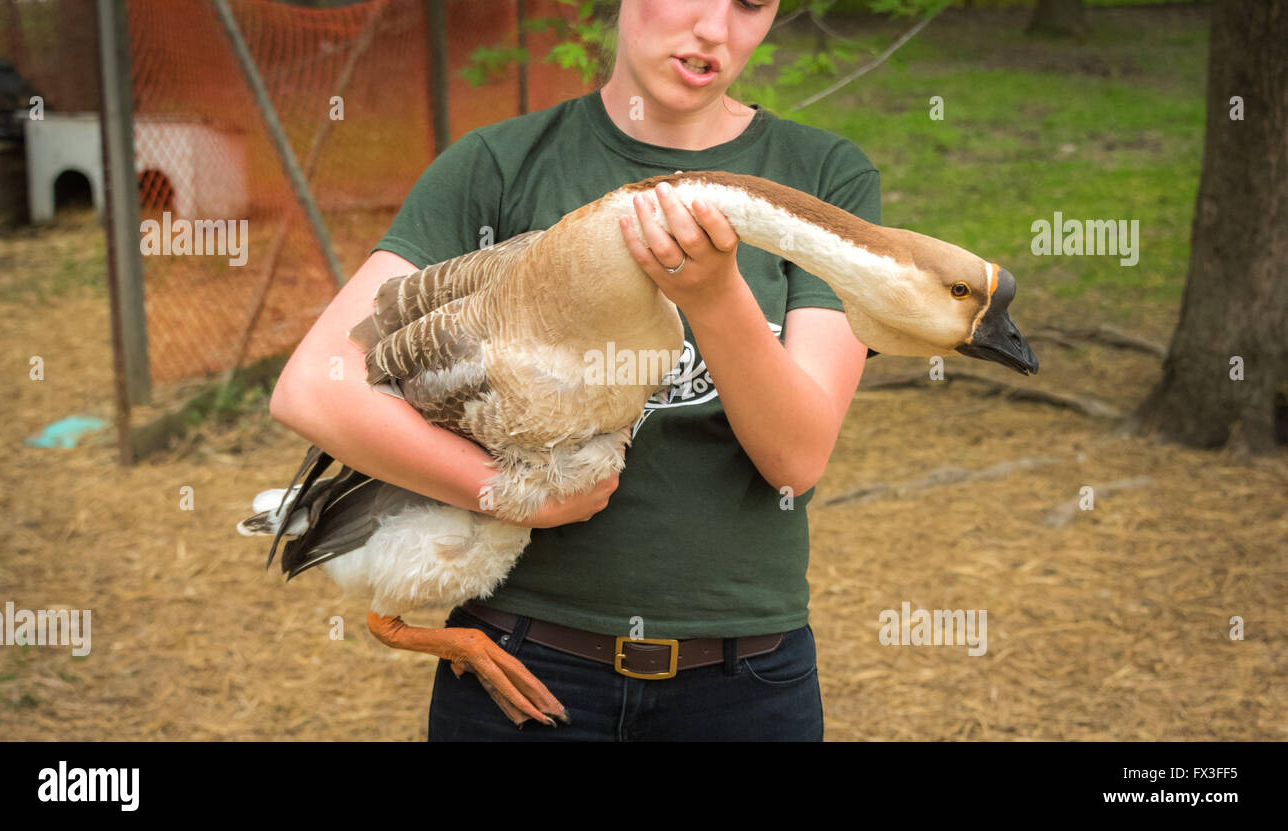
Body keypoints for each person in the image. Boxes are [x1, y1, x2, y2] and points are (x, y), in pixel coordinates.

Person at [270, 0, 879, 741]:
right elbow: (314, 386)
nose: (717, 30)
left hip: (744, 686)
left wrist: (715, 296)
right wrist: (513, 494)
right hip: (525, 665)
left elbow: (795, 460)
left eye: (751, 3)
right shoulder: (499, 164)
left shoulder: (819, 180)